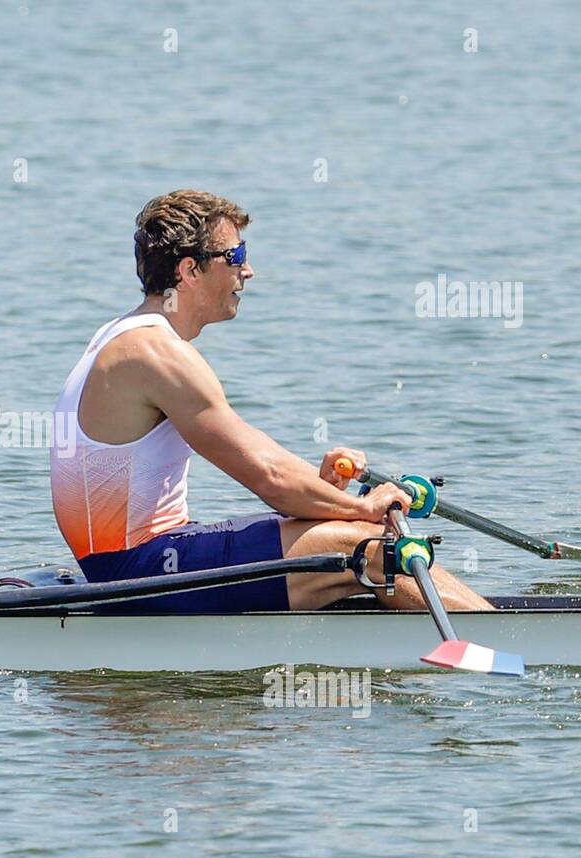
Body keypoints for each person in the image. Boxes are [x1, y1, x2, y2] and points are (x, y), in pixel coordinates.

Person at [49, 189, 490, 612]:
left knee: (348, 532)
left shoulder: (126, 336)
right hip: (137, 571)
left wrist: (326, 490)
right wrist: (361, 507)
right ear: (189, 270)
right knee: (371, 549)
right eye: (235, 257)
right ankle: (510, 642)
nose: (249, 270)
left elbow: (263, 458)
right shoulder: (154, 354)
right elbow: (268, 477)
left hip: (140, 559)